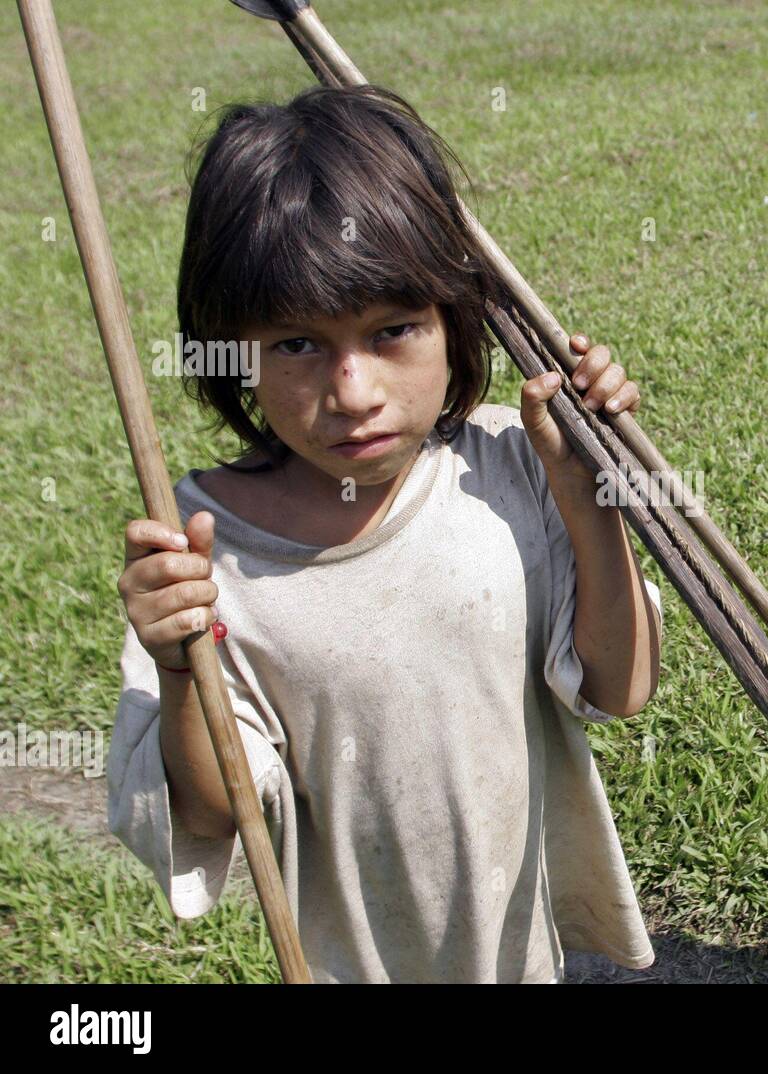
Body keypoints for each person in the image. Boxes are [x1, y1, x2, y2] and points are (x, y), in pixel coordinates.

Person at [106, 84, 663, 983]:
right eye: (295, 345)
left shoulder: (508, 468)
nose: (354, 391)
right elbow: (214, 816)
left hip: (534, 950)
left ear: (456, 318)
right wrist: (179, 664)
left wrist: (588, 497)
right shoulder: (207, 552)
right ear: (229, 349)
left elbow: (621, 685)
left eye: (394, 329)